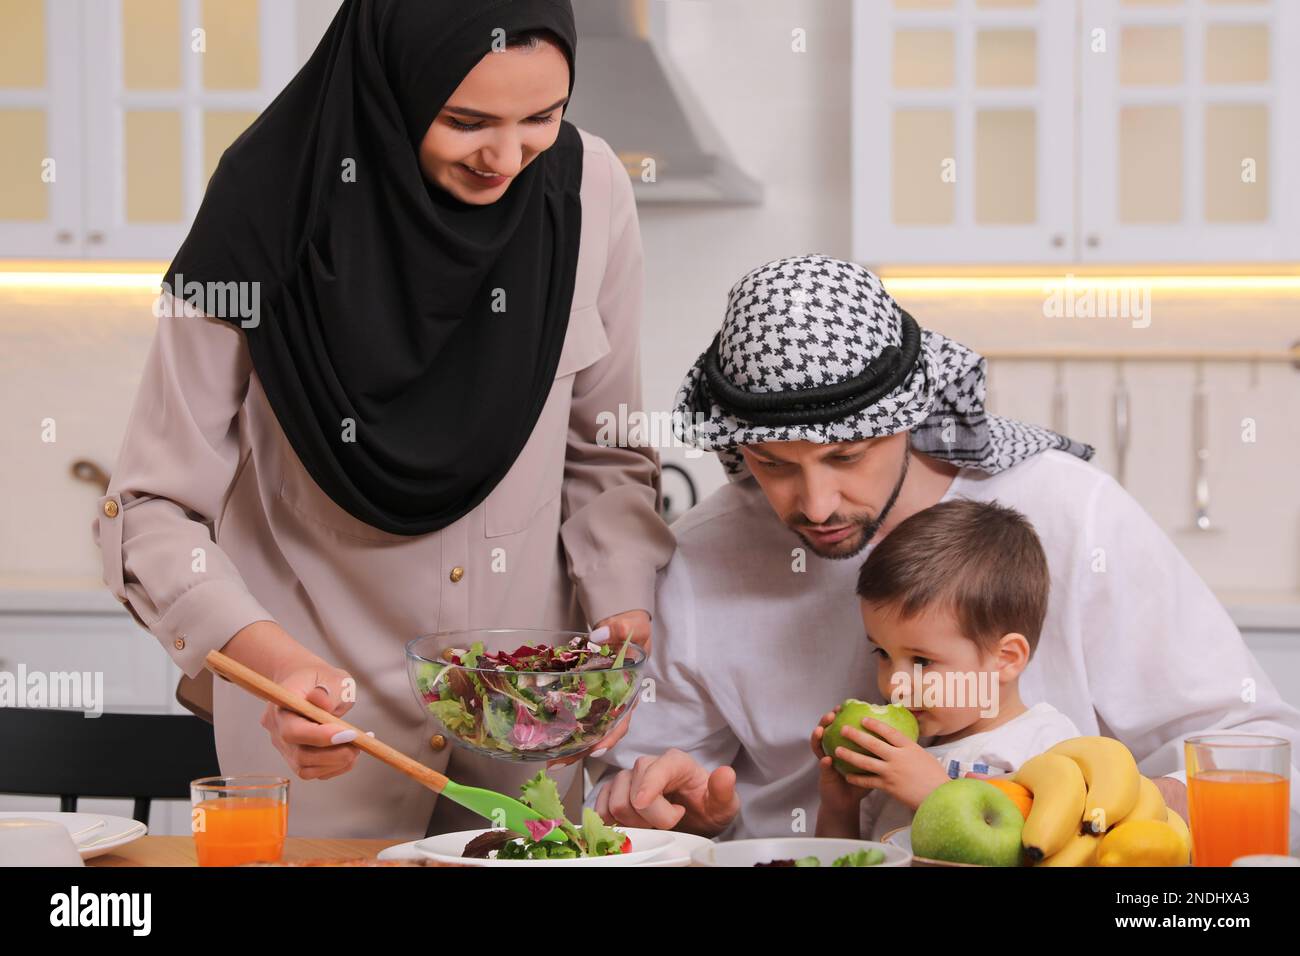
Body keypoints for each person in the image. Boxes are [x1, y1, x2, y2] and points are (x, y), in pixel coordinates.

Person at [92, 0, 674, 840]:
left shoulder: (589, 190)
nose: (506, 157)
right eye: (465, 121)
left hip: (527, 727)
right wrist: (273, 668)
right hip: (320, 735)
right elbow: (147, 510)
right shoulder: (265, 203)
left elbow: (605, 451)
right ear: (391, 88)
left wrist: (620, 625)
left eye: (542, 117)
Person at [591, 254, 1300, 852]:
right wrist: (685, 818)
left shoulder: (1067, 512)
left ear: (908, 416)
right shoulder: (698, 559)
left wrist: (1075, 824)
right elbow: (630, 803)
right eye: (773, 464)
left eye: (847, 455)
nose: (815, 505)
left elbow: (1252, 746)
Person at [810, 499, 1079, 841]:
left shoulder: (1046, 748)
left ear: (1006, 658)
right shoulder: (900, 752)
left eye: (921, 661)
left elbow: (1053, 855)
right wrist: (839, 806)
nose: (894, 686)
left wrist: (936, 796)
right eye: (882, 652)